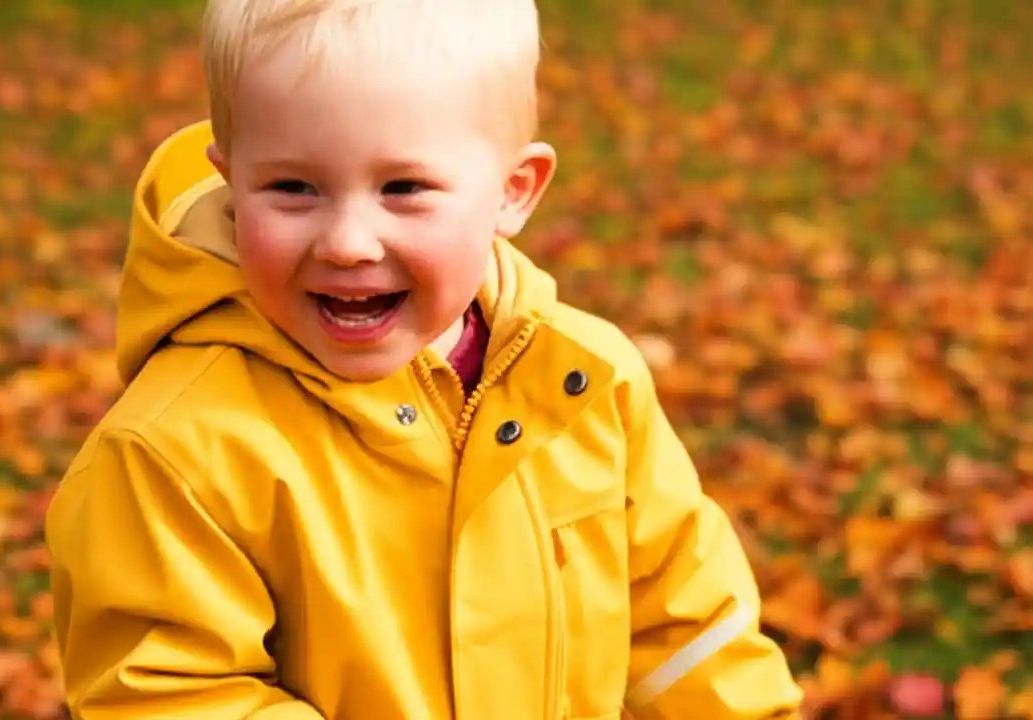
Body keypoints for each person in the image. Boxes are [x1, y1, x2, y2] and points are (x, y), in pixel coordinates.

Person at [44, 0, 804, 717]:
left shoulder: (585, 382)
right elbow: (172, 696)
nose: (348, 242)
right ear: (232, 181)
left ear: (513, 191)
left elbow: (685, 625)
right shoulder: (176, 452)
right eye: (293, 188)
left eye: (403, 188)